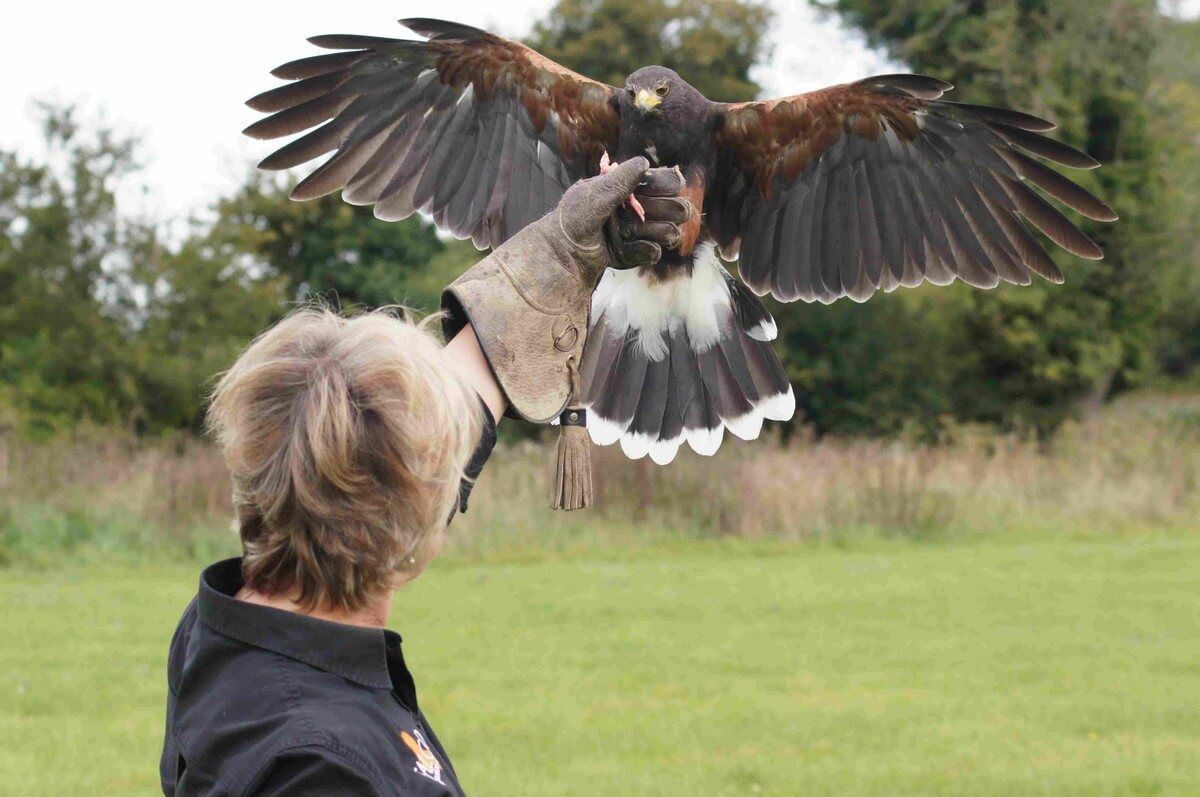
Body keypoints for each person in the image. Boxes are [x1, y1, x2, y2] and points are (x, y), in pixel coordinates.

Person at [159, 158, 689, 795]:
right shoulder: (321, 769)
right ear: (416, 520)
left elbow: (439, 425)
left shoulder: (223, 628)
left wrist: (567, 248)